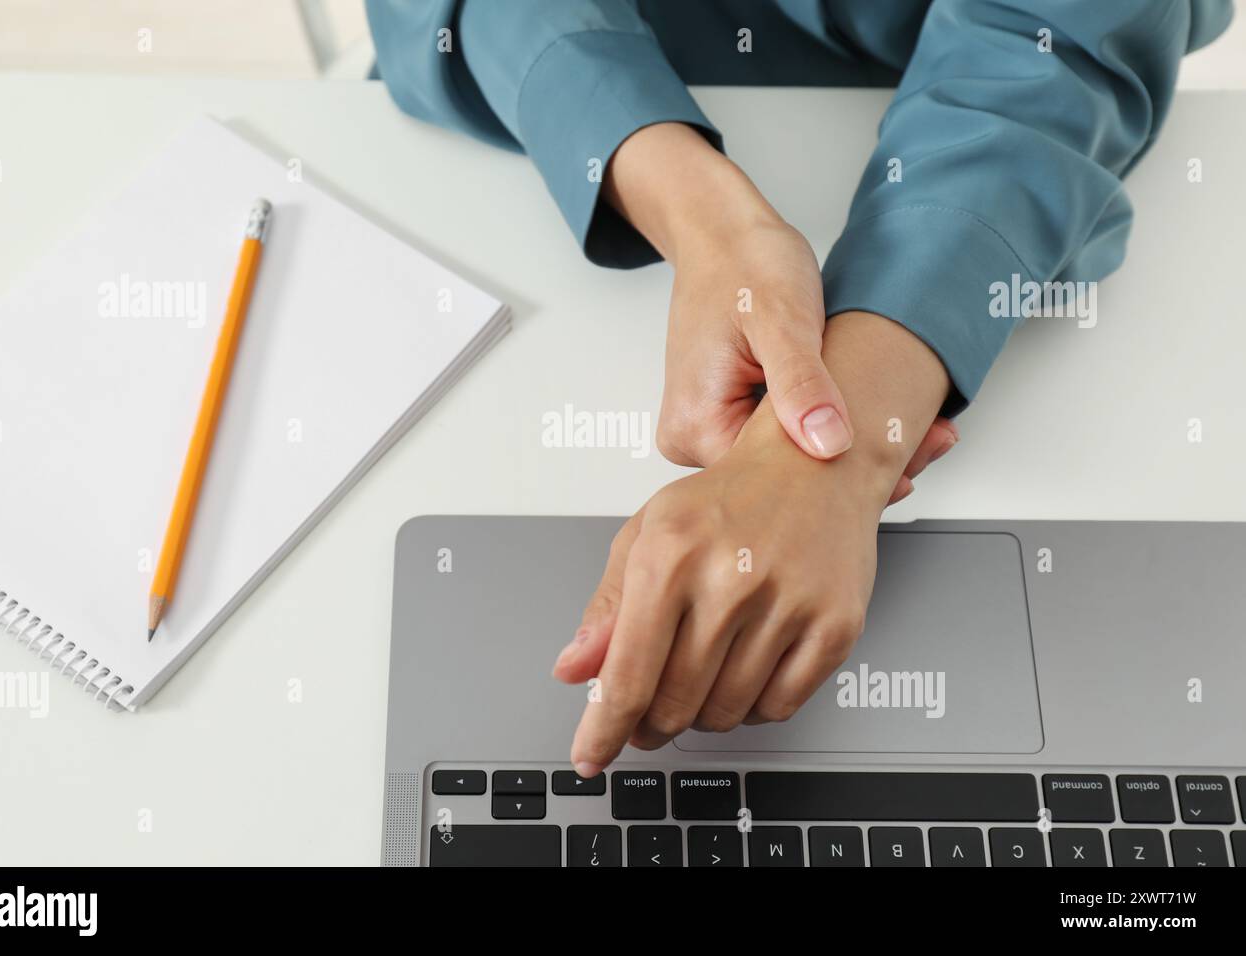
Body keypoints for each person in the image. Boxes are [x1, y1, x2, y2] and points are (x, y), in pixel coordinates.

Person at [365, 0, 1233, 777]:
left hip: (931, 103)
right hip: (538, 119)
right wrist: (703, 212)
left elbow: (1057, 43)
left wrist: (824, 456)